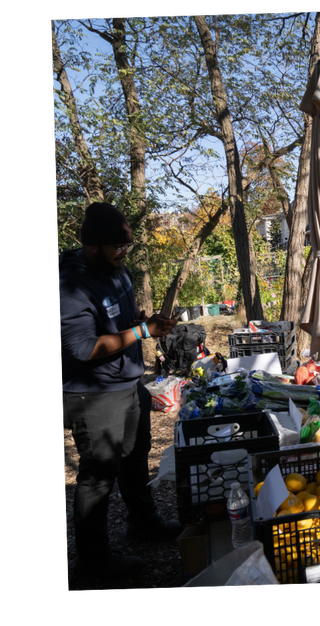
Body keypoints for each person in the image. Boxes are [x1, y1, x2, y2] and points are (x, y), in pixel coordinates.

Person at [60, 202, 183, 580]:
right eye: (117, 247)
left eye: (127, 245)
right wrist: (143, 333)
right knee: (98, 475)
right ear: (92, 245)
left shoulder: (116, 267)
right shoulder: (70, 286)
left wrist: (142, 322)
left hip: (129, 382)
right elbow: (84, 349)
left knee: (135, 456)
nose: (124, 253)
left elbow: (119, 321)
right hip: (93, 393)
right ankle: (92, 561)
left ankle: (142, 522)